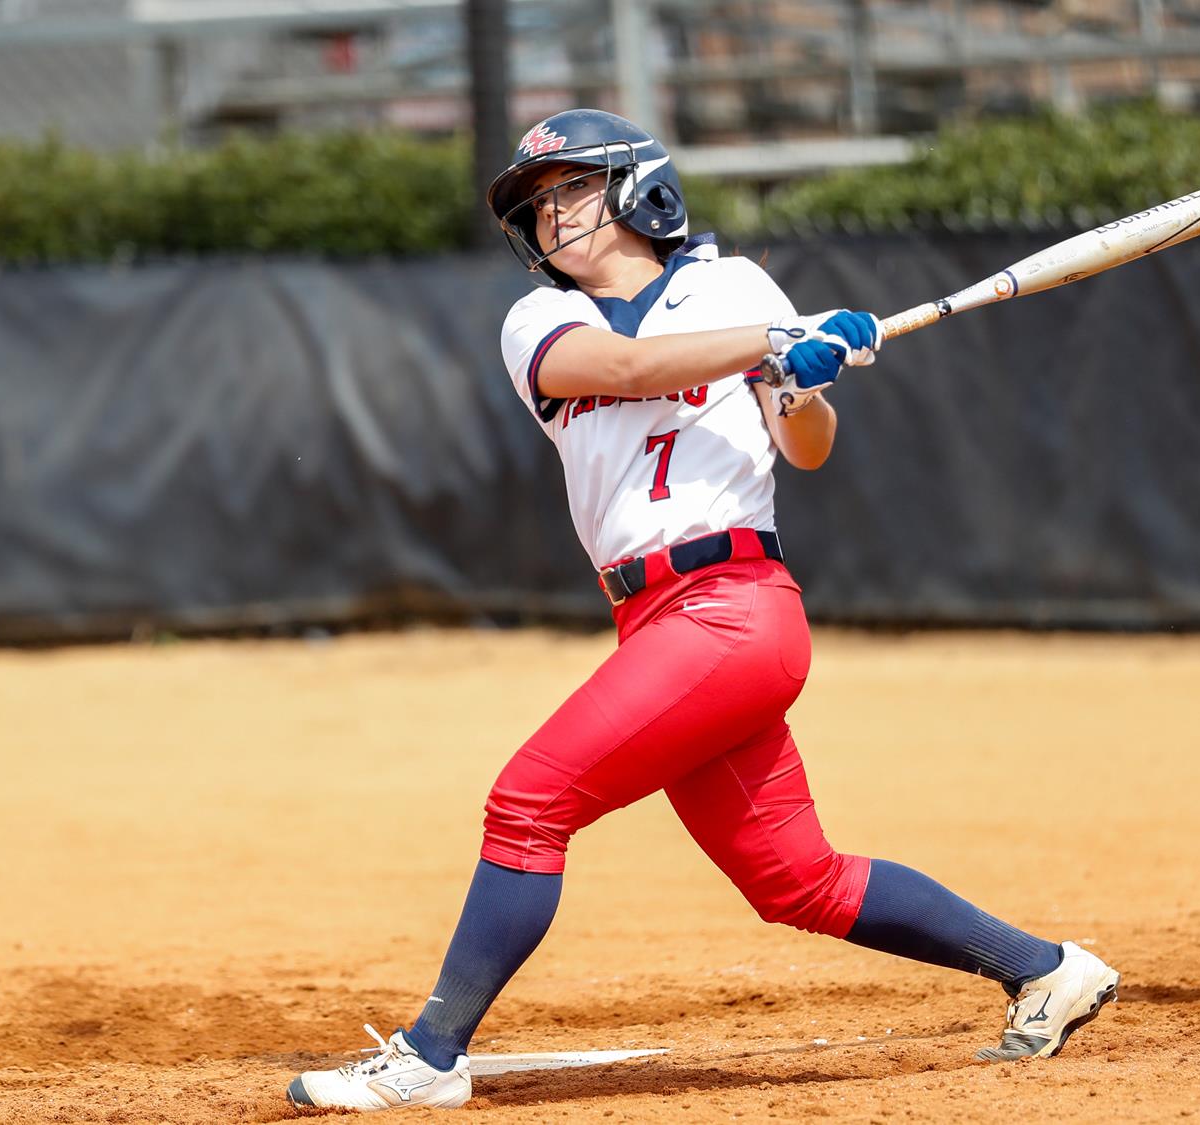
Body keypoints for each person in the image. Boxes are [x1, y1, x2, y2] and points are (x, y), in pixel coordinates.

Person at [286, 109, 1120, 1113]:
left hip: (731, 611)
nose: (552, 217)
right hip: (654, 622)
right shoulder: (542, 323)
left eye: (573, 190)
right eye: (537, 205)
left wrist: (800, 382)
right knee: (793, 881)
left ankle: (428, 1056)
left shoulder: (731, 288)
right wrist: (773, 341)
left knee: (528, 803)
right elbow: (629, 372)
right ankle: (1045, 969)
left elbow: (804, 446)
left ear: (642, 188)